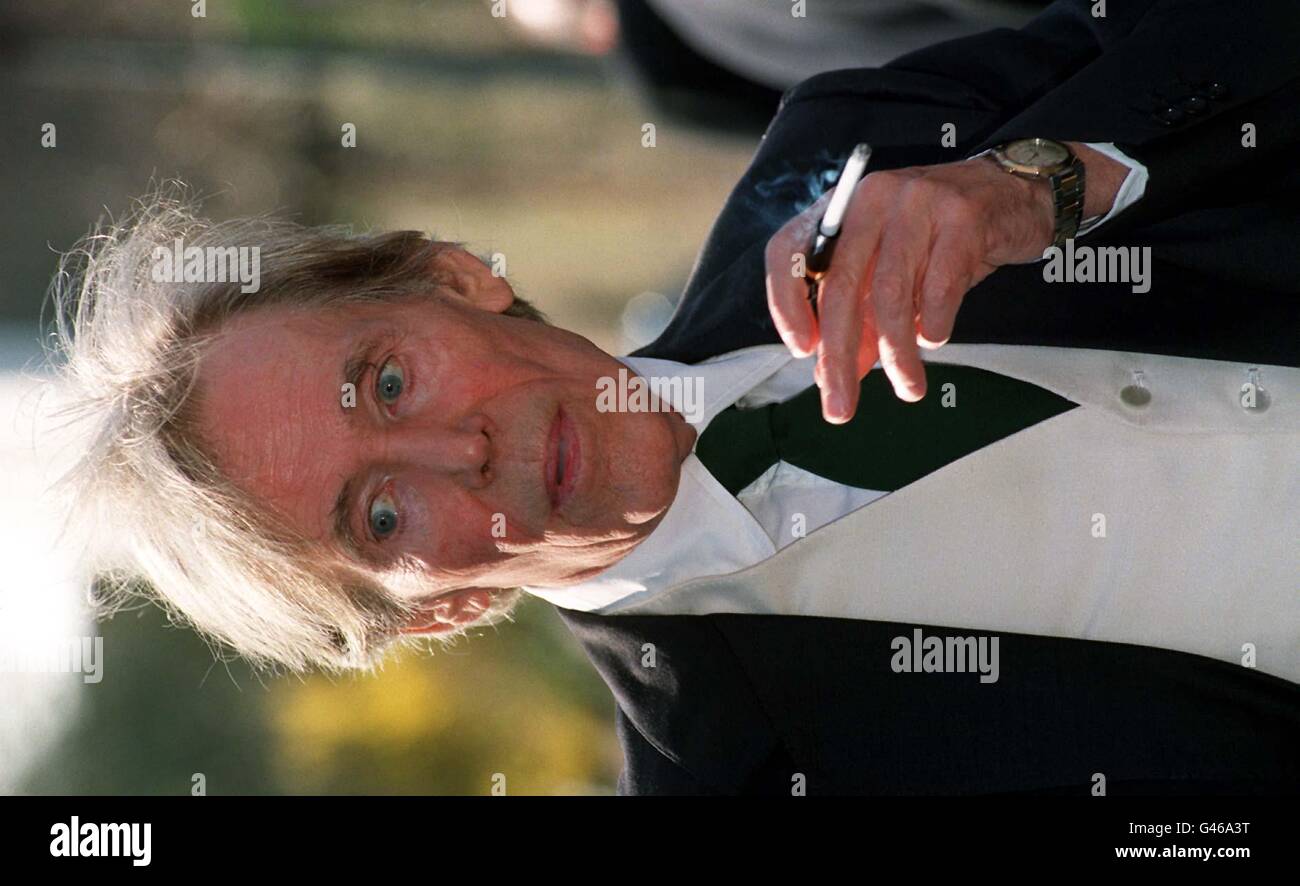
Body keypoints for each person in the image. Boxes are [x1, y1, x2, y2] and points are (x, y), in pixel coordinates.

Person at [50, 0, 1299, 794]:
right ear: (437, 614)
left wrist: (1053, 178)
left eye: (384, 379)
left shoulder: (858, 143)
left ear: (455, 279)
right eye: (377, 517)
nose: (458, 452)